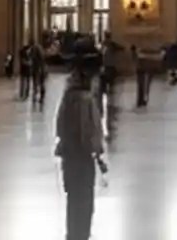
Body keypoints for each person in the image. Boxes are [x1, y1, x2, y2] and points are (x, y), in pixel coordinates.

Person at [55, 56, 106, 240]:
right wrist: (97, 152)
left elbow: (59, 125)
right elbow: (89, 131)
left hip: (69, 156)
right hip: (82, 158)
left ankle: (74, 234)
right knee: (84, 202)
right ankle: (80, 235)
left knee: (74, 201)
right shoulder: (84, 99)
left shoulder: (69, 96)